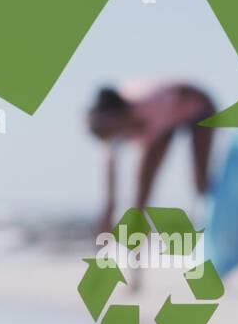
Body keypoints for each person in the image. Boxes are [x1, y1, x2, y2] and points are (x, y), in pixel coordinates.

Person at [86, 81, 217, 233]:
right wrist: (109, 210)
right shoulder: (116, 123)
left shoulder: (149, 108)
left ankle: (216, 224)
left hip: (199, 109)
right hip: (163, 117)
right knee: (141, 196)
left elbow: (149, 162)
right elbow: (111, 172)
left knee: (200, 180)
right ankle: (135, 246)